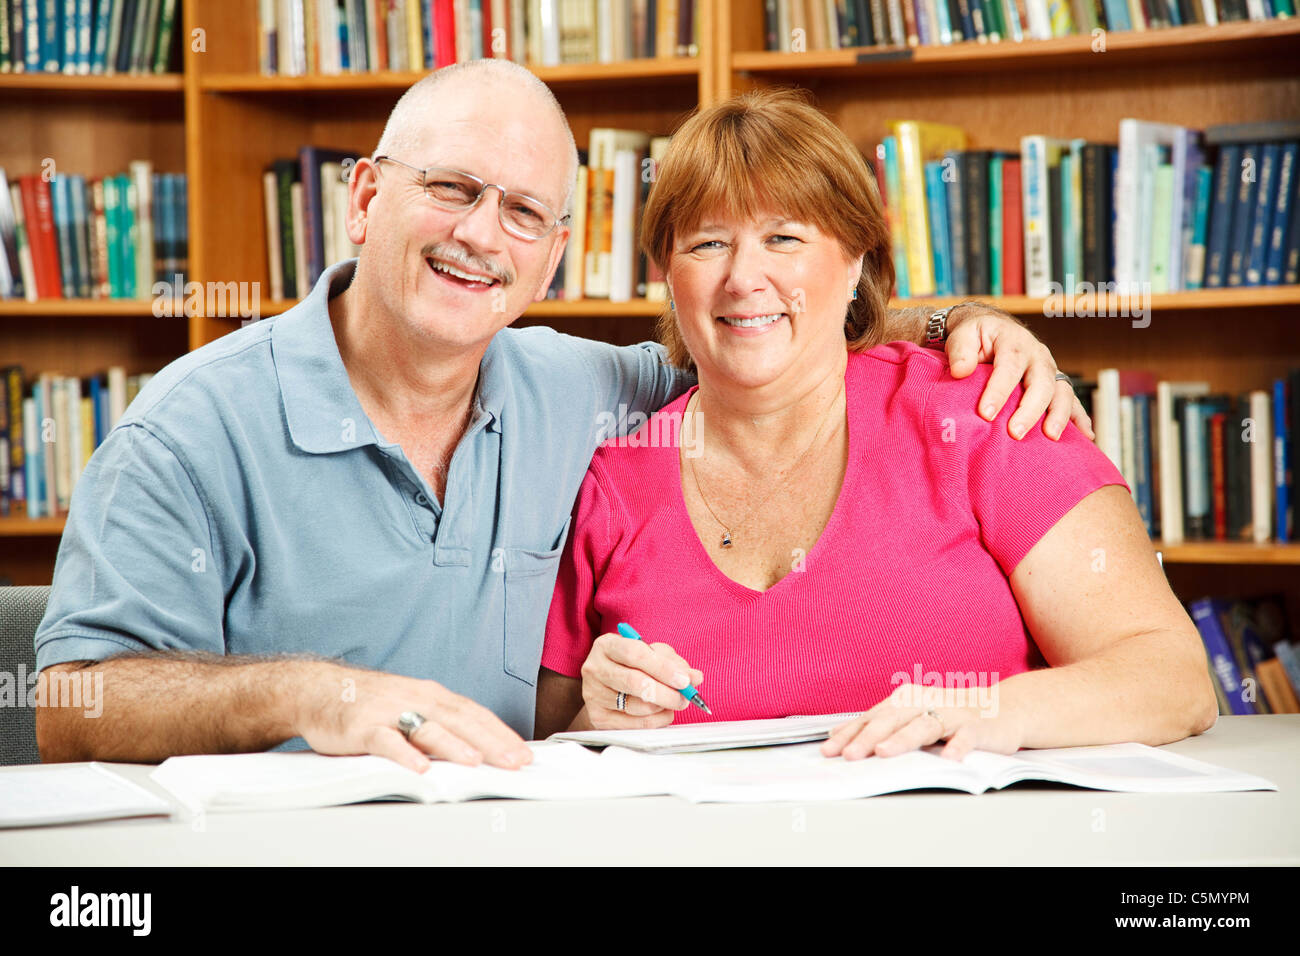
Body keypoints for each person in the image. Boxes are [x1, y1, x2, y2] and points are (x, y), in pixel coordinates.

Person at [35, 61, 1089, 773]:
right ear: (362, 198)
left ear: (552, 255)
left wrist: (952, 319)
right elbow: (70, 702)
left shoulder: (589, 390)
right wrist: (311, 694)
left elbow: (756, 330)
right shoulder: (188, 428)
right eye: (450, 188)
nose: (481, 236)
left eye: (525, 213)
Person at [535, 87, 1218, 760]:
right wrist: (596, 720)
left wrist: (987, 708)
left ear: (856, 260)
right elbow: (554, 740)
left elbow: (1173, 678)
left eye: (783, 237)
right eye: (707, 243)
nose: (744, 277)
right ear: (666, 273)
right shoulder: (611, 484)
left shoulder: (980, 411)